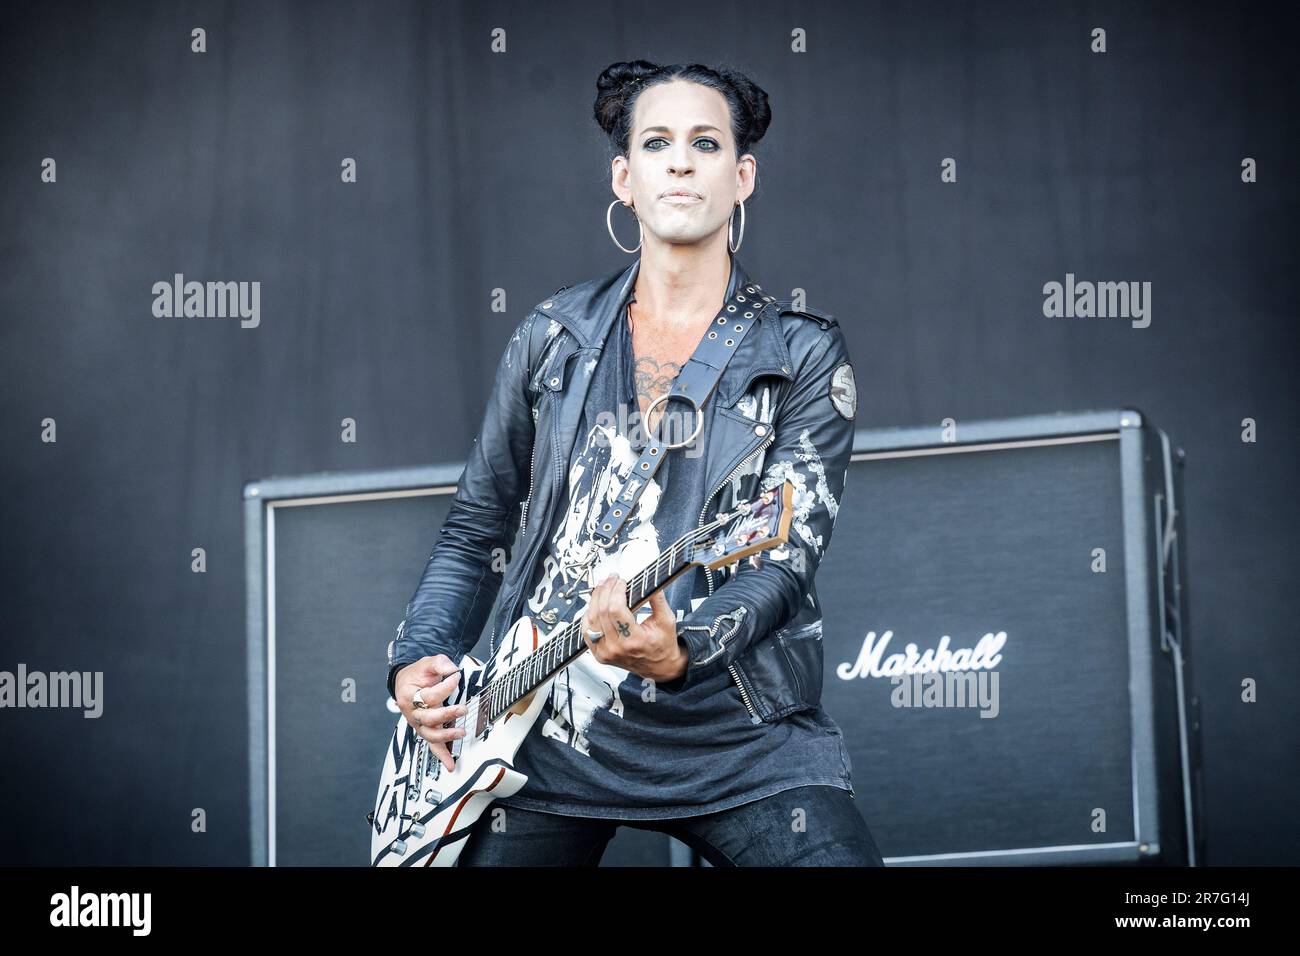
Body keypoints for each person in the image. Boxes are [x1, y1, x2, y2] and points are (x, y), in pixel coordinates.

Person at [386, 59, 884, 867]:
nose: (681, 161)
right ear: (625, 177)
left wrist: (682, 649)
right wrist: (415, 659)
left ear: (742, 175)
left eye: (705, 143)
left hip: (739, 733)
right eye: (657, 143)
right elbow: (477, 526)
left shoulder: (802, 354)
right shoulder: (554, 338)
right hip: (540, 731)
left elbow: (784, 563)